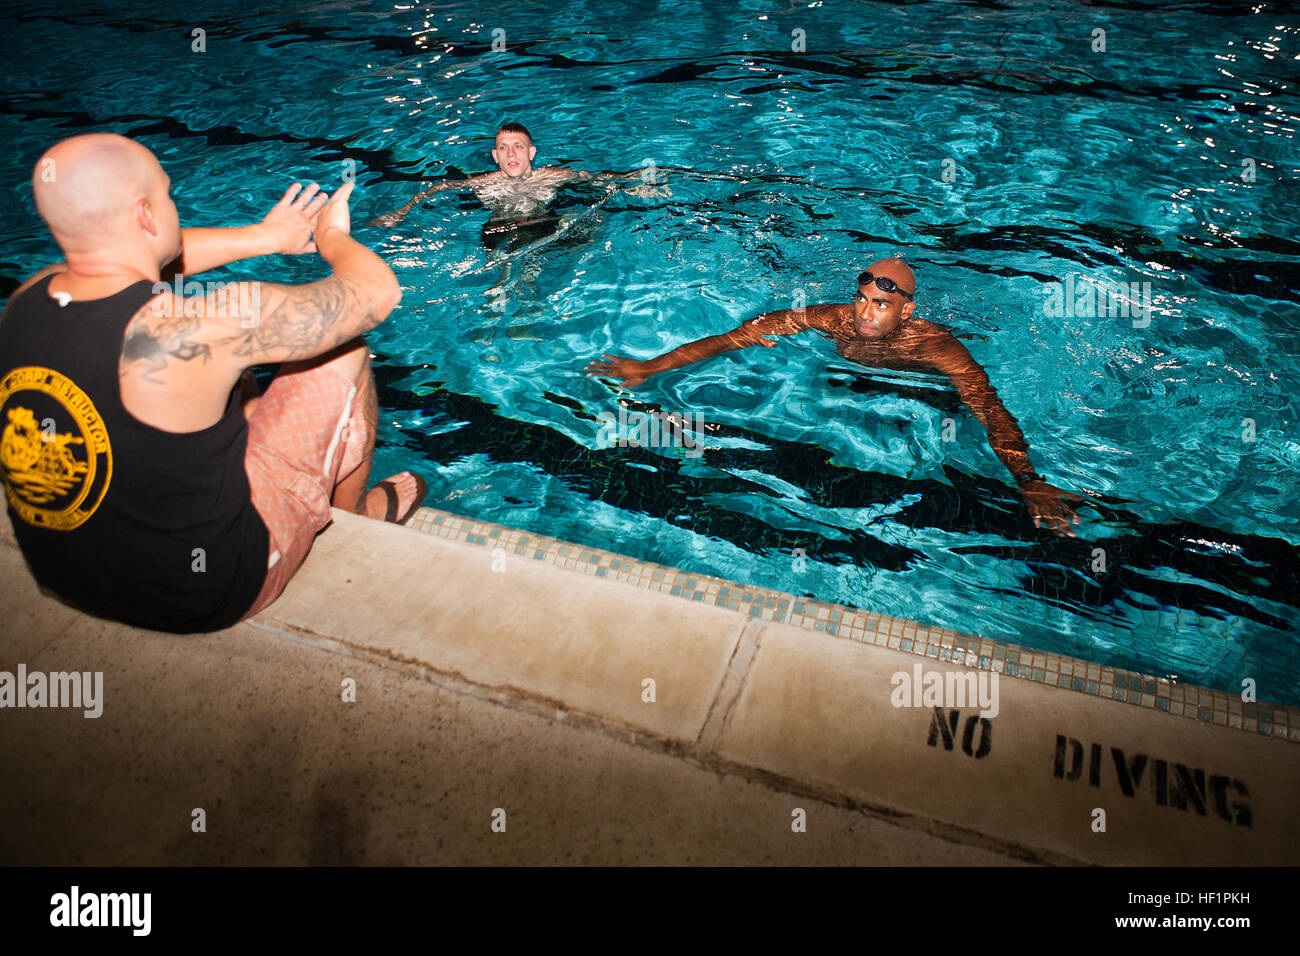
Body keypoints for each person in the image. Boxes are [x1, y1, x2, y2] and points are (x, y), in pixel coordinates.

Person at [0, 132, 426, 633]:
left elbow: (134, 261)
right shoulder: (194, 329)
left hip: (67, 576)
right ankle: (354, 516)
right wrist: (333, 235)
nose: (172, 205)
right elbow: (374, 295)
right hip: (203, 591)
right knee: (341, 350)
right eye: (167, 194)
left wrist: (267, 237)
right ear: (145, 215)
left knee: (229, 376)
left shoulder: (28, 298)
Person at [585, 257, 1088, 537]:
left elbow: (990, 408)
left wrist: (1027, 479)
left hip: (922, 386)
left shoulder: (938, 347)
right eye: (863, 299)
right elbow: (738, 335)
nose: (866, 314)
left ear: (906, 312)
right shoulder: (833, 320)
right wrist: (651, 366)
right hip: (850, 375)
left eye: (882, 305)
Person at [368, 120, 656, 247]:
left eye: (518, 146)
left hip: (541, 226)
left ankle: (525, 298)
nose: (511, 153)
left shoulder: (552, 175)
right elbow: (436, 188)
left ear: (531, 152)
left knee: (589, 222)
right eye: (503, 148)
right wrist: (401, 212)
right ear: (495, 156)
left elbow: (598, 178)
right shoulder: (484, 183)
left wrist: (637, 182)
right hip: (498, 232)